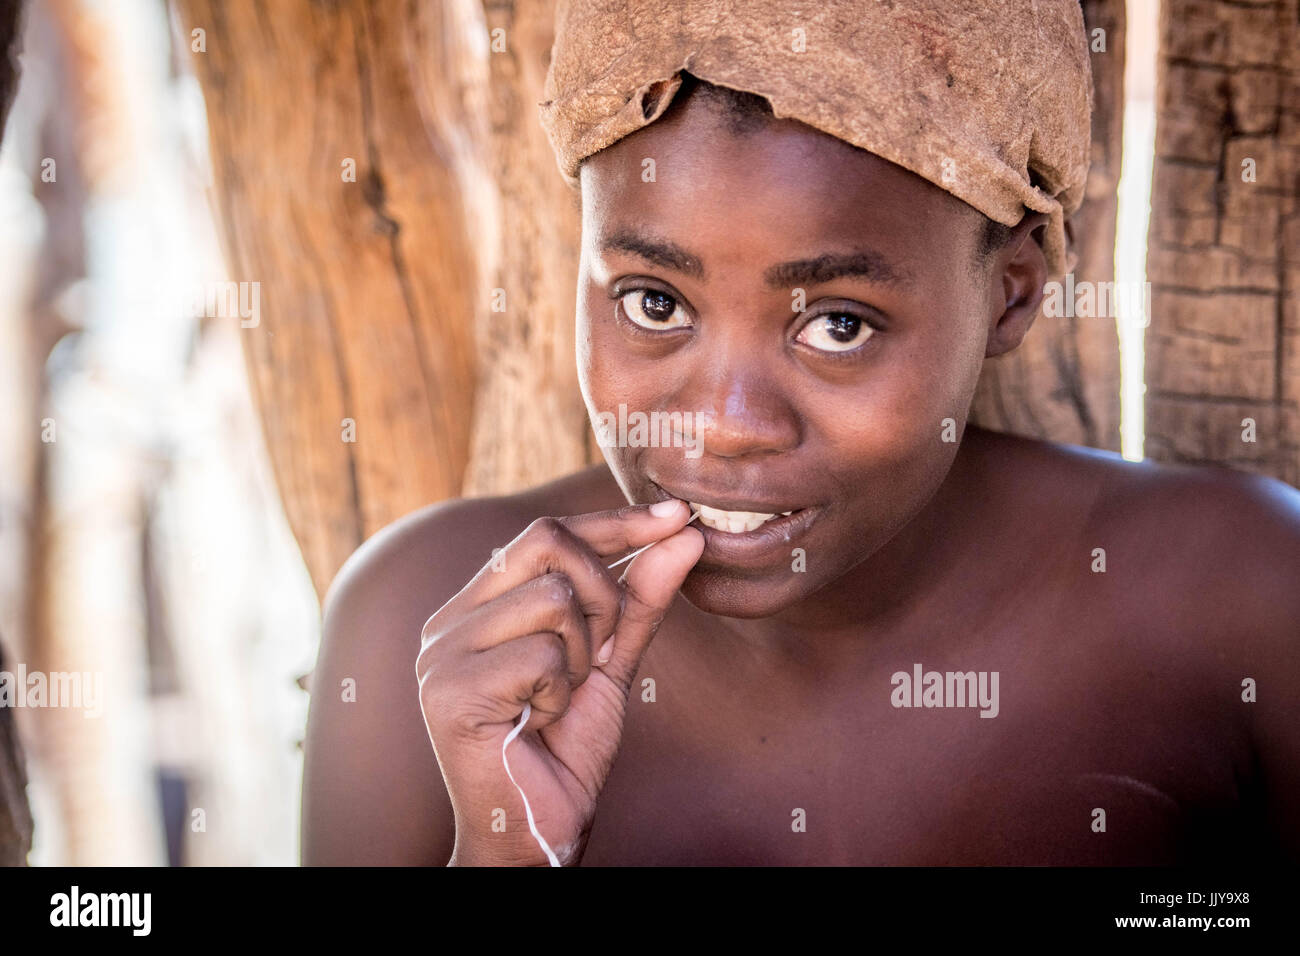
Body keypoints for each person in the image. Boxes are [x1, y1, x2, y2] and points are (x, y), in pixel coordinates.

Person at [300, 1, 1300, 865]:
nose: (725, 427)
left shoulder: (1233, 605)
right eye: (653, 303)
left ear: (1011, 294)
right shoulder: (425, 637)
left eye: (837, 323)